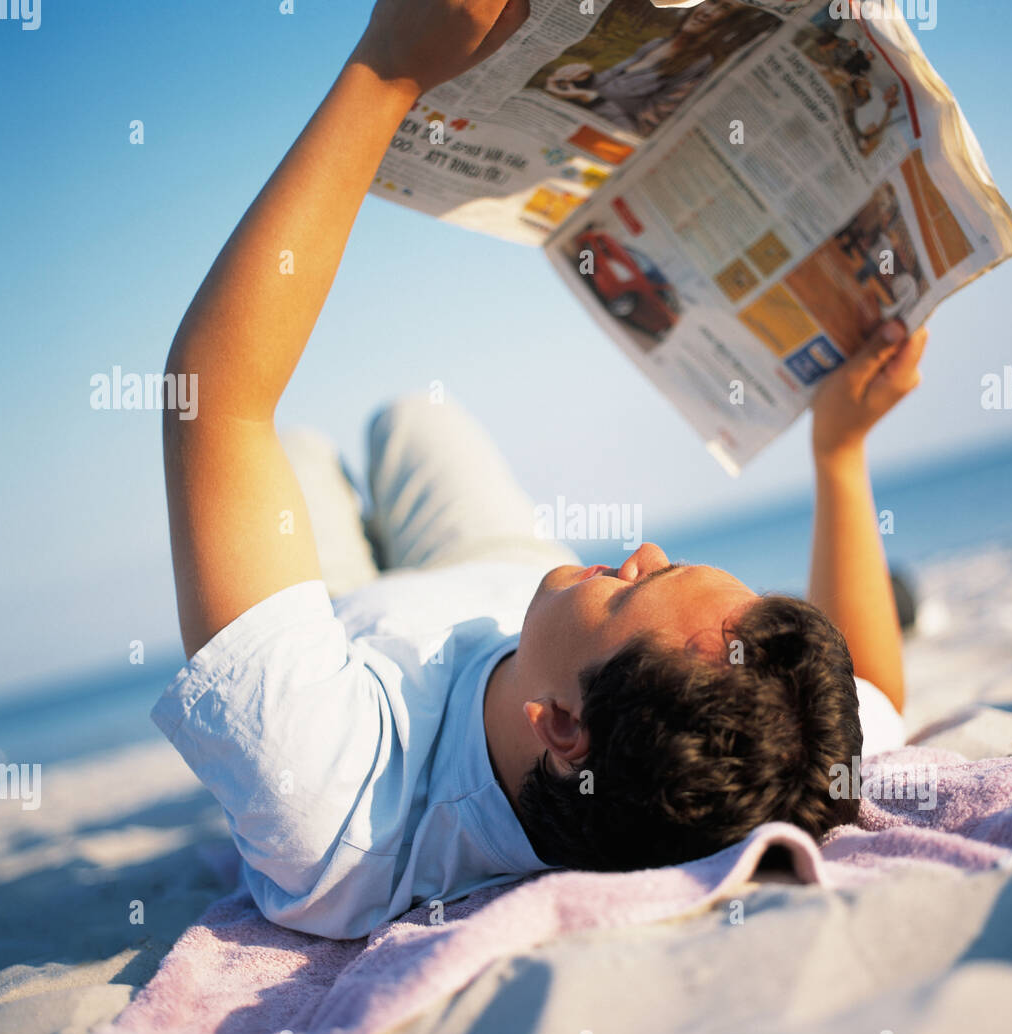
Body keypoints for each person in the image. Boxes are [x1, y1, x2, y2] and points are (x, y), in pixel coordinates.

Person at [156, 0, 926, 940]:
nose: (641, 549)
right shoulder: (763, 746)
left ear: (564, 729)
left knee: (297, 455)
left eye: (636, 588)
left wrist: (389, 71)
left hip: (345, 617)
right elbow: (879, 694)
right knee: (414, 418)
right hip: (507, 571)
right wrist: (839, 452)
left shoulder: (341, 805)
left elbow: (213, 403)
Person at [543, 0, 760, 137]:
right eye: (710, 1)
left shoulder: (697, 69)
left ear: (728, 24)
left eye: (724, 8)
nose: (707, 11)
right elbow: (607, 86)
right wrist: (584, 78)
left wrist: (590, 99)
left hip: (595, 134)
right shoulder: (657, 43)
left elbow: (639, 132)